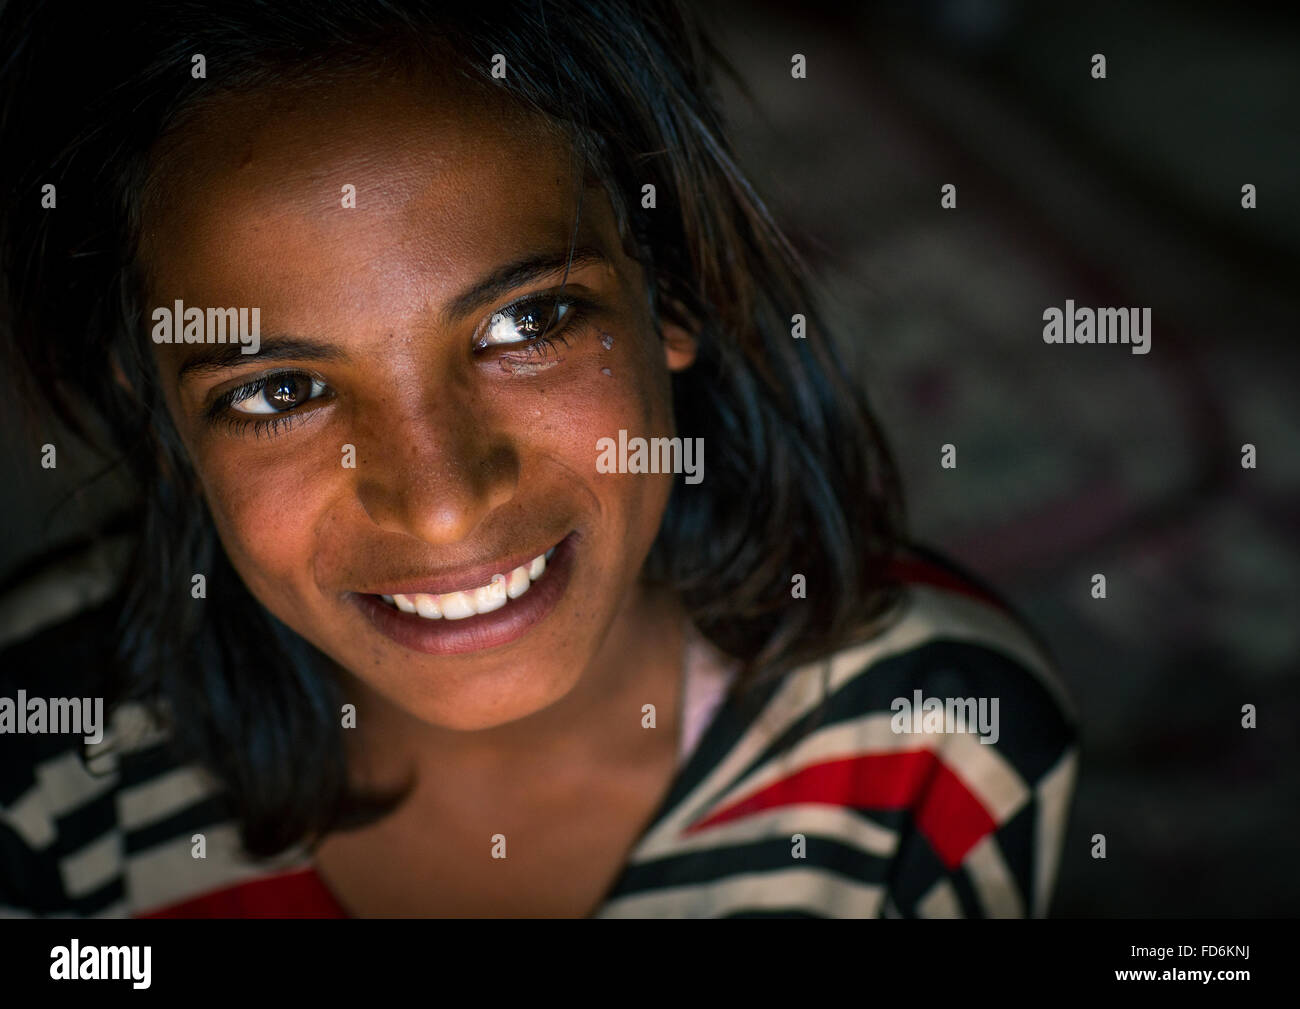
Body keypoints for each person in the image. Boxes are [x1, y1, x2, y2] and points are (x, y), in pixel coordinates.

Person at [0, 0, 1076, 917]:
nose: (440, 507)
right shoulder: (44, 755)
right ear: (162, 414)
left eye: (528, 324)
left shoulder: (932, 741)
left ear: (671, 284)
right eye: (279, 391)